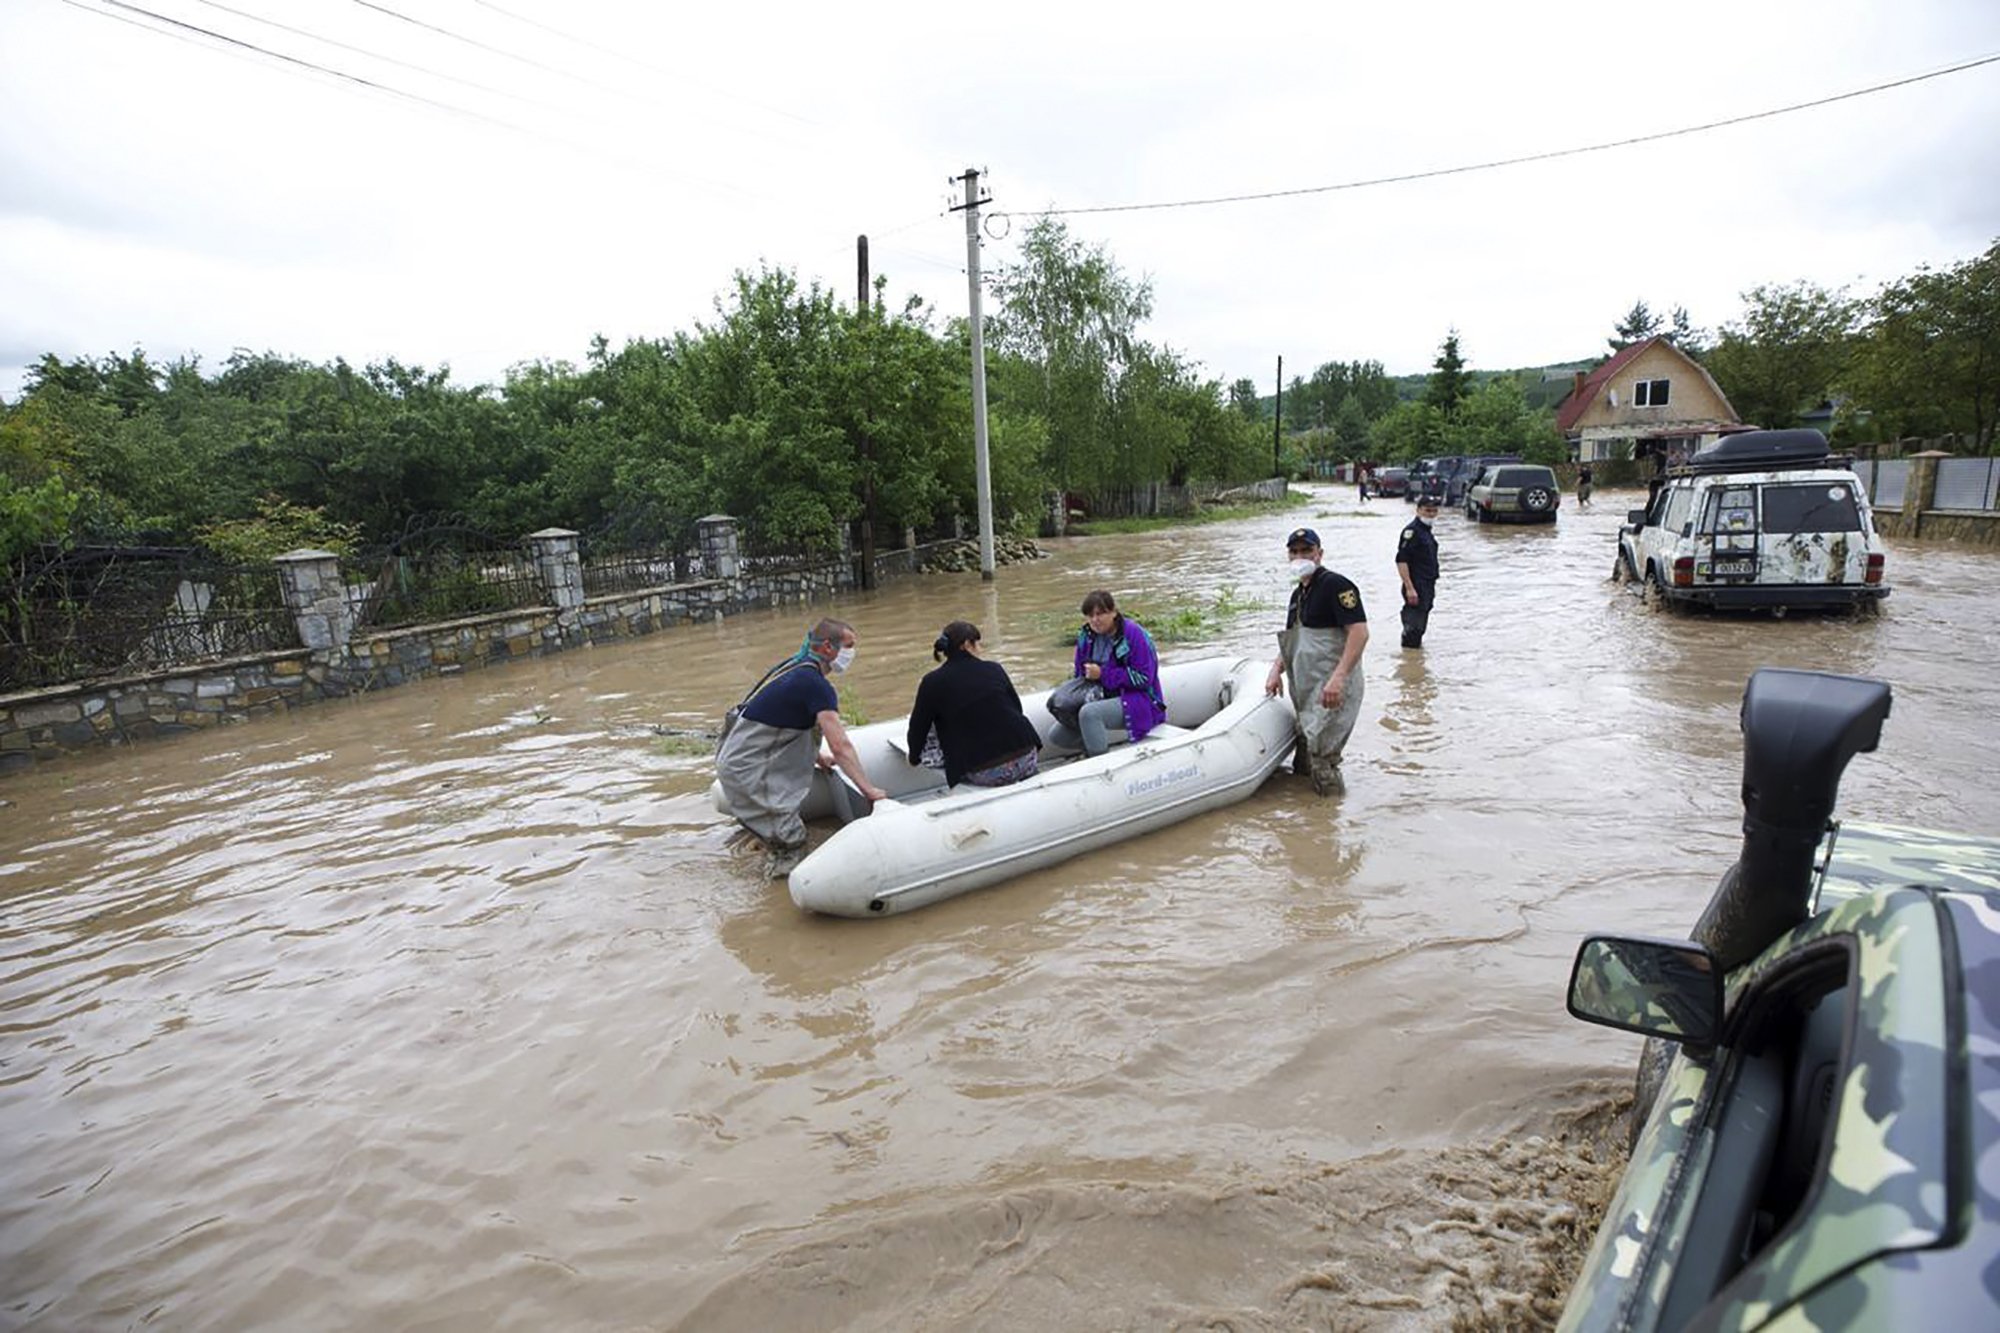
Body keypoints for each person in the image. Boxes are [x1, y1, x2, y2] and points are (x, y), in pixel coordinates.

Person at [715, 617, 886, 877]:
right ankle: (777, 897)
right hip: (750, 772)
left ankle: (764, 845)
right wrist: (869, 790)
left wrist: (817, 757)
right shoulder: (816, 685)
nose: (852, 653)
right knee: (792, 843)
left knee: (775, 834)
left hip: (736, 761)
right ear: (828, 648)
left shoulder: (796, 669)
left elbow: (783, 724)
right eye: (849, 646)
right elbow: (841, 746)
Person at [1266, 527, 1368, 795]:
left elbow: (1359, 632)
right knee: (1304, 751)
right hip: (1307, 687)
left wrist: (1339, 678)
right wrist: (1276, 670)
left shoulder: (1336, 586)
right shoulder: (1298, 595)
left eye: (1306, 551)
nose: (1300, 556)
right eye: (1294, 551)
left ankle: (1328, 822)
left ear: (1319, 554)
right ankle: (1306, 819)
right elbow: (1293, 639)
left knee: (1323, 758)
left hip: (1333, 685)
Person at [906, 621, 1043, 788]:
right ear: (966, 645)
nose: (980, 649)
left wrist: (913, 758)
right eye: (978, 643)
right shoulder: (994, 668)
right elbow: (1016, 708)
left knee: (933, 729)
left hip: (985, 772)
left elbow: (918, 726)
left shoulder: (931, 682)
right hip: (1027, 756)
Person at [1049, 590, 1165, 758]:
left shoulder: (1133, 634)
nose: (1095, 620)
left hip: (1137, 698)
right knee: (1057, 736)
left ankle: (1100, 762)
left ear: (1113, 612)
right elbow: (1079, 673)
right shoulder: (1086, 636)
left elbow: (1144, 678)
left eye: (1100, 614)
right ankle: (1095, 746)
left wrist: (1103, 674)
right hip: (1100, 695)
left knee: (1089, 713)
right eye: (1090, 615)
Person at [1396, 496, 1441, 650]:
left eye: (1434, 511)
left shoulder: (1426, 532)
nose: (1431, 514)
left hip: (1427, 584)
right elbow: (1402, 560)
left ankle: (1414, 661)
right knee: (1413, 628)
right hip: (1416, 585)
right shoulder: (1412, 532)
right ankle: (1408, 665)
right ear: (1418, 510)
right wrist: (1409, 587)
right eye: (1427, 510)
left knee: (1420, 625)